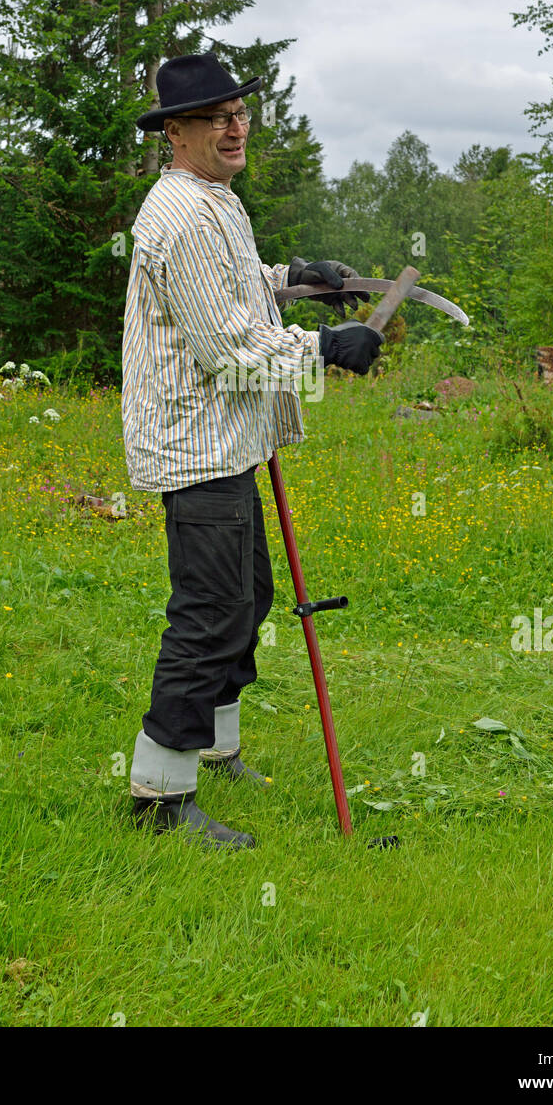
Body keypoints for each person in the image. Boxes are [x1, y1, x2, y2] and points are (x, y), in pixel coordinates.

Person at [121, 52, 383, 849]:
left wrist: (294, 278)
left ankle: (217, 747)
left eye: (240, 111)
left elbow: (233, 288)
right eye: (216, 117)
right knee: (208, 616)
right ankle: (157, 801)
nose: (236, 127)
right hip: (195, 441)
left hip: (230, 437)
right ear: (177, 132)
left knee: (250, 598)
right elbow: (225, 347)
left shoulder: (215, 200)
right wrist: (327, 347)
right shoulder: (182, 215)